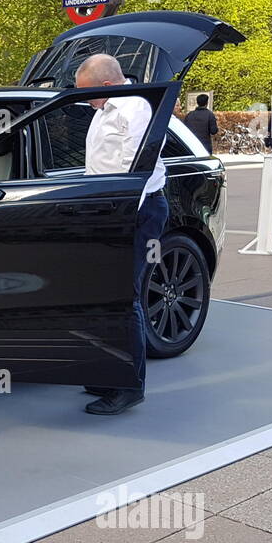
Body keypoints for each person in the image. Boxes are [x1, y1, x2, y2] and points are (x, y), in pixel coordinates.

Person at [75, 54, 169, 416]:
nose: (84, 100)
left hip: (137, 213)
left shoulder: (135, 110)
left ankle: (128, 385)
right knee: (102, 294)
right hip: (108, 212)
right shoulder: (104, 110)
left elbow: (137, 171)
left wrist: (119, 215)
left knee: (122, 297)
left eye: (88, 93)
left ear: (108, 84)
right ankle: (108, 372)